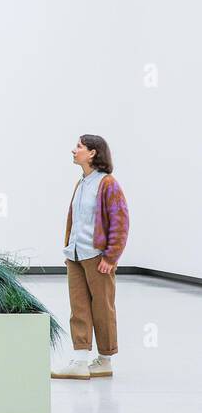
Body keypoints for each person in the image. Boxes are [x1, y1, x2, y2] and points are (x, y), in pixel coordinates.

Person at [52, 135, 129, 381]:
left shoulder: (108, 184)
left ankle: (105, 360)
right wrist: (68, 248)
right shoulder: (81, 183)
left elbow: (120, 222)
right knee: (79, 309)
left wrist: (111, 256)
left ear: (93, 153)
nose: (73, 150)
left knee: (103, 309)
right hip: (75, 256)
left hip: (97, 258)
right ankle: (80, 361)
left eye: (79, 147)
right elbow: (75, 220)